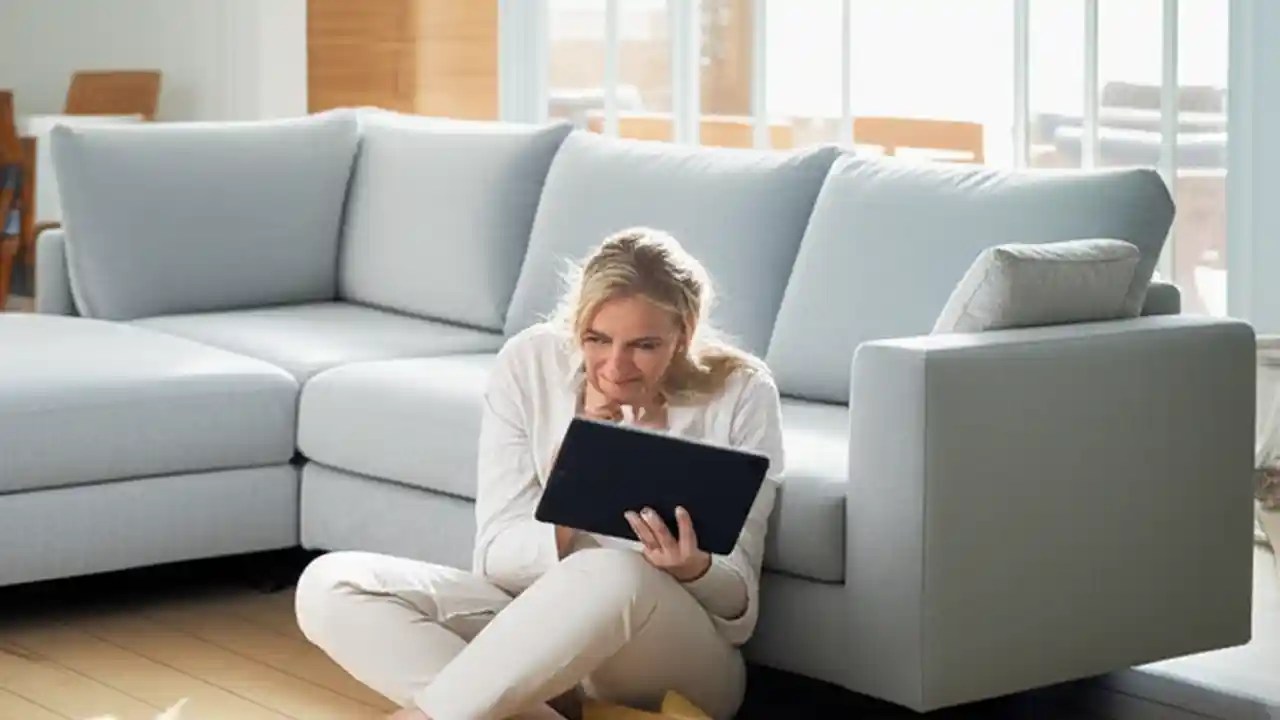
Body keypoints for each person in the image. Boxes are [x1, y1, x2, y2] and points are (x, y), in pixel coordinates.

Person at [294, 227, 785, 720]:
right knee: (330, 585)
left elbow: (738, 613)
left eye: (644, 345)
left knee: (612, 572)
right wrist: (570, 494)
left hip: (672, 655)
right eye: (597, 339)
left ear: (684, 334)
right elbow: (494, 561)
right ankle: (526, 709)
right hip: (535, 632)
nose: (615, 367)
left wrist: (692, 567)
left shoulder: (742, 392)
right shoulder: (530, 363)